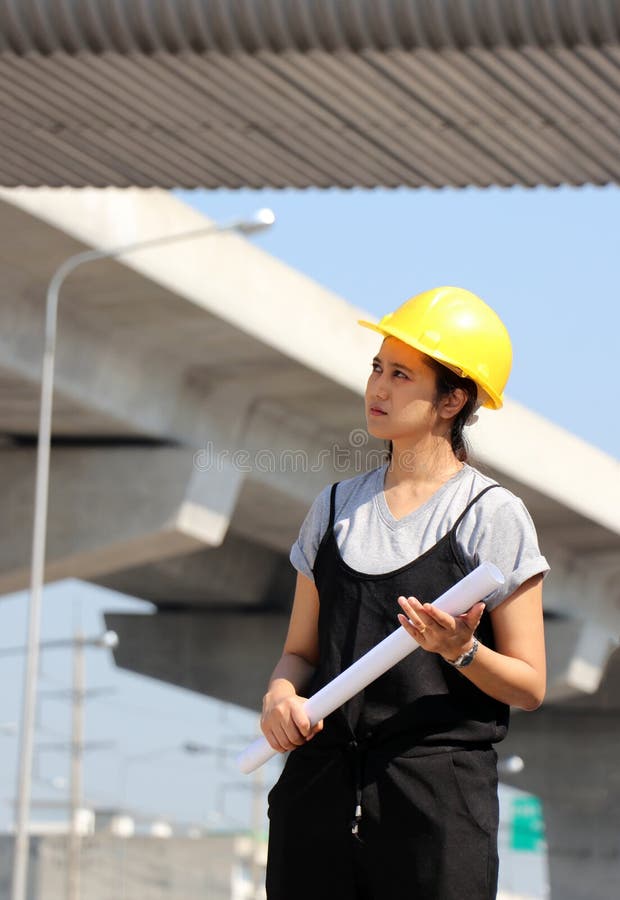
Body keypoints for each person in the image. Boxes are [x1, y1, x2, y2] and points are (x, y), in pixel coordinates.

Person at [260, 287, 548, 900]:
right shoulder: (334, 508)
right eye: (375, 368)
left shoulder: (492, 516)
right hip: (319, 799)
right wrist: (279, 697)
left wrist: (459, 651)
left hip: (437, 811)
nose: (378, 388)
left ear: (453, 397)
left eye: (401, 374)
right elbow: (300, 654)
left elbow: (529, 684)